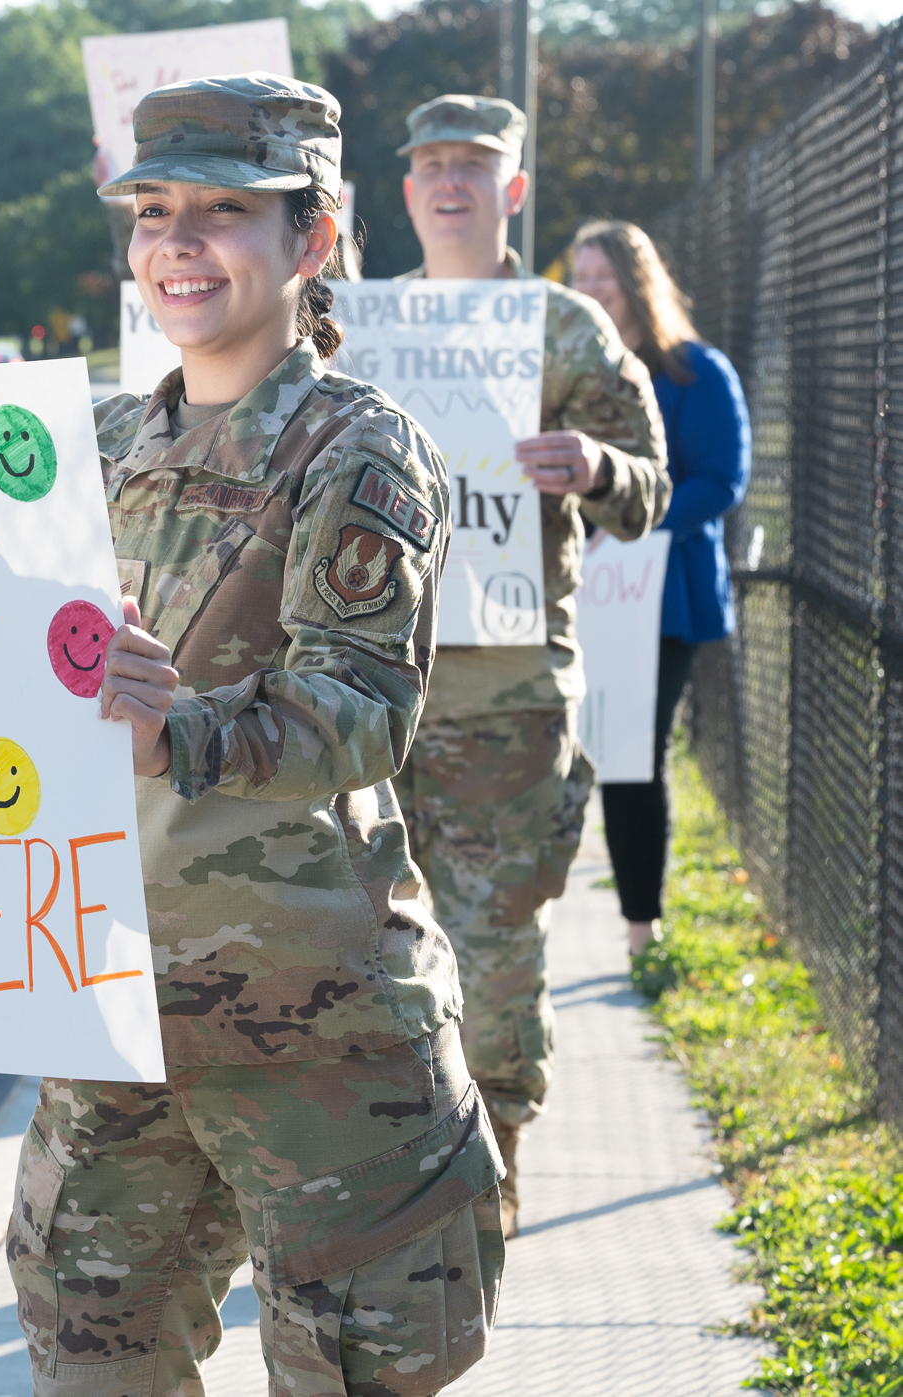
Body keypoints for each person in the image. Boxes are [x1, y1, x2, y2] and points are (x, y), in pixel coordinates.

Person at [1, 75, 499, 1397]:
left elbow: (359, 709)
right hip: (115, 1025)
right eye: (154, 209)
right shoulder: (82, 451)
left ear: (313, 238)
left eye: (227, 210)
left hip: (319, 1044)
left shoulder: (358, 448)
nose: (178, 240)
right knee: (87, 1359)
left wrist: (175, 733)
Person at [387, 96, 671, 1238]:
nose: (450, 180)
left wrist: (596, 465)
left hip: (506, 701)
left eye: (474, 164)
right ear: (405, 189)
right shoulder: (354, 324)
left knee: (496, 950)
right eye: (431, 164)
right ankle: (395, 1188)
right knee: (374, 958)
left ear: (512, 187)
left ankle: (489, 1172)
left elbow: (651, 485)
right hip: (369, 694)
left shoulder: (560, 327)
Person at [565, 219, 750, 957]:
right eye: (580, 279)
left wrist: (634, 517)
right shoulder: (565, 374)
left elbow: (722, 478)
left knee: (632, 756)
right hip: (571, 596)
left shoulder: (696, 373)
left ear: (639, 285)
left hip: (661, 601)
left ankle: (644, 929)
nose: (590, 293)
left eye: (603, 278)